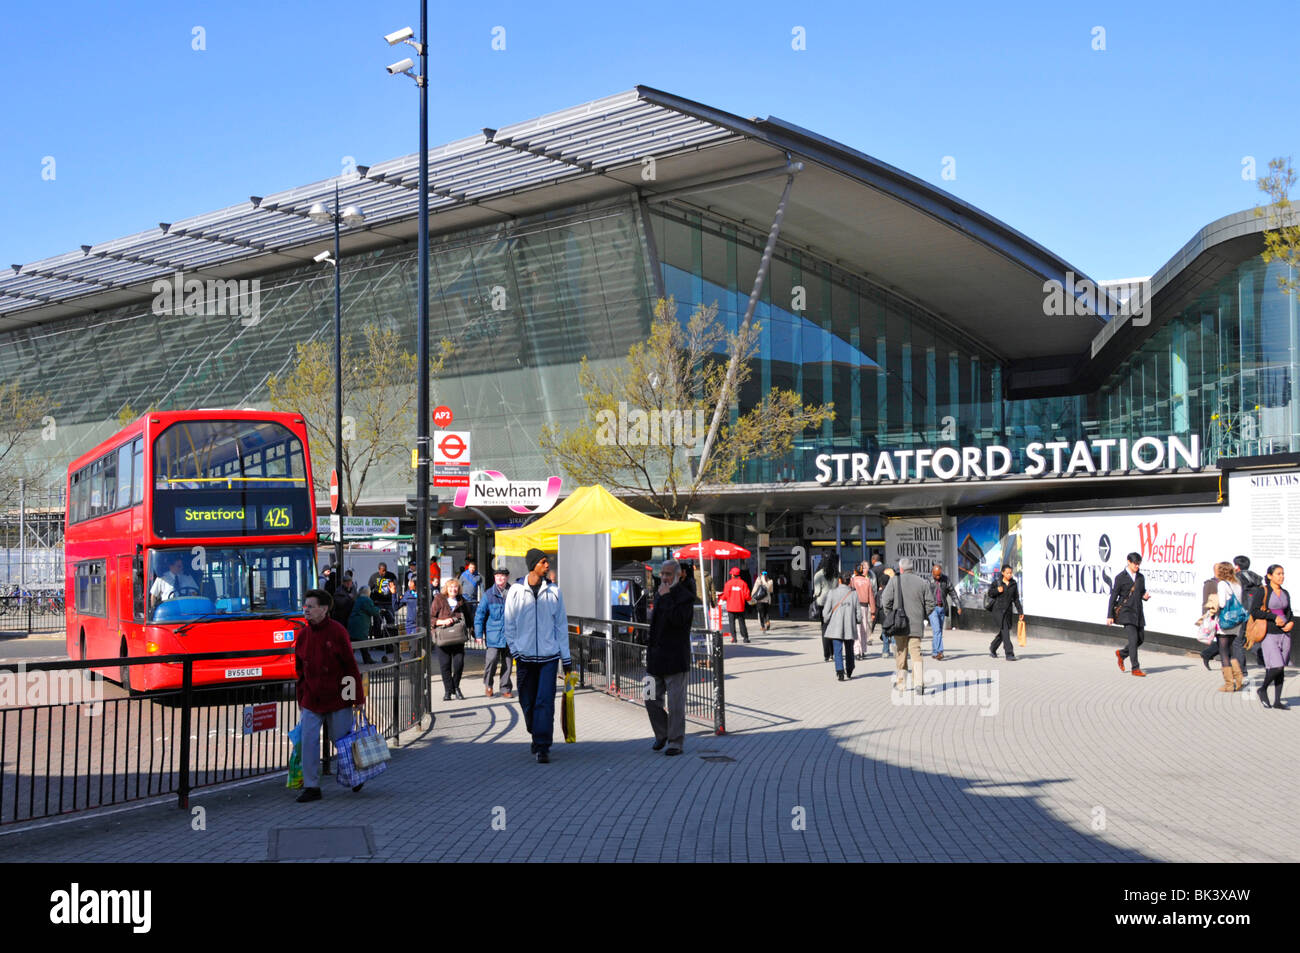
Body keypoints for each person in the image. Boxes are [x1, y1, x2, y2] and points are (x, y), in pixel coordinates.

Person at [293, 588, 366, 802]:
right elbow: (300, 669)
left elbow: (350, 666)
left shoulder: (337, 631)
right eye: (305, 606)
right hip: (312, 699)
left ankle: (355, 775)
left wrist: (356, 698)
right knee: (308, 741)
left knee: (341, 740)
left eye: (311, 606)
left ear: (324, 609)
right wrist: (301, 697)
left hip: (337, 697)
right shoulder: (304, 634)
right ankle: (311, 786)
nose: (306, 610)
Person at [504, 549, 572, 763]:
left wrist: (566, 659)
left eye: (547, 562)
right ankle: (536, 731)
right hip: (524, 658)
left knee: (544, 701)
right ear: (533, 564)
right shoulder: (515, 591)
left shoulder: (554, 592)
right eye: (543, 562)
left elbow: (561, 626)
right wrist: (515, 650)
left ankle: (543, 745)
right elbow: (509, 624)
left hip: (549, 657)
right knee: (527, 701)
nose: (547, 565)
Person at [645, 559, 695, 755]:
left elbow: (679, 622)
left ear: (677, 575)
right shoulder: (659, 594)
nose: (664, 578)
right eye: (663, 574)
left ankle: (675, 742)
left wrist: (665, 598)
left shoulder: (685, 597)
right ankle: (662, 733)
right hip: (655, 659)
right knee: (649, 698)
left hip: (675, 660)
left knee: (675, 705)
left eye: (668, 575)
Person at [880, 558, 935, 693]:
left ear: (901, 569)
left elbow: (885, 600)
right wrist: (922, 615)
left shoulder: (894, 581)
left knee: (901, 653)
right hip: (916, 625)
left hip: (899, 625)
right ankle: (918, 684)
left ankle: (901, 684)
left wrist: (891, 615)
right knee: (916, 653)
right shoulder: (922, 582)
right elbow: (930, 604)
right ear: (912, 568)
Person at [1251, 564, 1293, 710]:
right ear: (1269, 576)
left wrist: (1291, 622)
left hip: (1285, 634)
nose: (1281, 576)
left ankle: (1277, 701)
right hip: (1269, 633)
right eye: (1278, 574)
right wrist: (1273, 617)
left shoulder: (1285, 592)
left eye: (1283, 573)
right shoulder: (1263, 591)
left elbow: (1289, 612)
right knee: (1277, 666)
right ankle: (1262, 689)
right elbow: (1254, 611)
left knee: (1281, 668)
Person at [1106, 552, 1149, 676]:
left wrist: (1145, 596)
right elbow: (1113, 597)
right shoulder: (1120, 577)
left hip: (1138, 612)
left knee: (1140, 639)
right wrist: (1109, 615)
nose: (1137, 566)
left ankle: (1122, 654)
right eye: (1135, 563)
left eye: (1139, 564)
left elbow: (1142, 592)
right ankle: (1135, 668)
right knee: (1133, 639)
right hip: (1126, 612)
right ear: (1129, 562)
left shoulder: (1141, 577)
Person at [475, 566, 513, 698]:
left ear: (507, 577)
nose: (500, 578)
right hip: (493, 635)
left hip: (510, 635)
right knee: (491, 661)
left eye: (503, 576)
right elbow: (479, 615)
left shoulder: (513, 592)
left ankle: (505, 688)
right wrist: (478, 634)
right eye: (498, 576)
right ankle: (488, 685)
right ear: (494, 578)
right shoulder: (488, 595)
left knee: (508, 663)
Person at [432, 577, 472, 701]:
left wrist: (475, 633)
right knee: (445, 665)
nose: (453, 589)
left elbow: (470, 618)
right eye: (450, 587)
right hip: (443, 638)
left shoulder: (462, 601)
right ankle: (448, 691)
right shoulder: (439, 599)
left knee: (459, 664)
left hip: (458, 638)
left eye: (455, 587)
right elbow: (431, 617)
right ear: (446, 589)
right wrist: (442, 621)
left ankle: (456, 686)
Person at [1210, 561, 1245, 692]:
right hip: (1236, 622)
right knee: (1232, 650)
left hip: (1225, 622)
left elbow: (1223, 603)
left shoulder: (1222, 584)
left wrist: (1214, 601)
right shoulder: (1237, 583)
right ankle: (1239, 680)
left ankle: (1229, 684)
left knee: (1224, 652)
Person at [824, 571, 862, 681]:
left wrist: (827, 619)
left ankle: (840, 671)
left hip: (836, 626)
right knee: (849, 648)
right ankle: (849, 669)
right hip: (849, 626)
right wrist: (858, 621)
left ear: (839, 580)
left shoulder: (832, 593)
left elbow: (826, 612)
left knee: (837, 649)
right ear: (849, 581)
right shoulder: (854, 594)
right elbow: (858, 612)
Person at [987, 565, 1025, 661]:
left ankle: (993, 647)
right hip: (998, 610)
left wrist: (1020, 611)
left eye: (1010, 573)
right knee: (1005, 629)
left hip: (1008, 611)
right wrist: (997, 590)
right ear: (1003, 573)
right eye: (1007, 573)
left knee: (1004, 631)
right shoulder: (997, 582)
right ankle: (1009, 653)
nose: (1009, 574)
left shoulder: (1013, 584)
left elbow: (1016, 599)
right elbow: (990, 593)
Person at [929, 563, 961, 661]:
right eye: (936, 575)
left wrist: (958, 605)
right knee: (937, 630)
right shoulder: (928, 581)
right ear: (932, 573)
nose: (938, 577)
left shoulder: (945, 580)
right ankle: (940, 652)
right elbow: (923, 595)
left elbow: (952, 592)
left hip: (942, 608)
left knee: (938, 631)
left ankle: (934, 651)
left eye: (939, 574)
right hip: (932, 608)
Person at [348, 585, 383, 665]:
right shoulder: (366, 600)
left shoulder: (359, 599)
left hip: (354, 622)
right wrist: (379, 610)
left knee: (354, 641)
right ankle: (366, 659)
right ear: (368, 592)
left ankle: (350, 659)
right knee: (362, 641)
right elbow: (372, 610)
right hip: (361, 623)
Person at [812, 554, 838, 661]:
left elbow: (817, 591)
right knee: (833, 628)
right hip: (833, 603)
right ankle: (833, 653)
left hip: (822, 603)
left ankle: (827, 655)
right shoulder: (835, 574)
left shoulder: (818, 575)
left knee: (824, 627)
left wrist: (815, 595)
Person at [850, 561, 877, 660]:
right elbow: (871, 596)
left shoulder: (852, 580)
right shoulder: (867, 581)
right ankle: (863, 650)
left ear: (855, 571)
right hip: (865, 607)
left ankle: (857, 651)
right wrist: (873, 611)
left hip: (854, 606)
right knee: (864, 628)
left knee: (856, 628)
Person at [722, 567, 751, 643]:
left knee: (732, 623)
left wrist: (721, 599)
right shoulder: (743, 583)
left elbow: (725, 595)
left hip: (731, 607)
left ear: (732, 575)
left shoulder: (728, 584)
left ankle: (734, 638)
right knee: (742, 622)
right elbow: (747, 596)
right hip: (740, 606)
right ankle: (745, 638)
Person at [877, 566, 896, 658]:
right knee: (892, 632)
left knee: (884, 632)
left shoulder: (879, 593)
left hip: (882, 615)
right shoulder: (893, 590)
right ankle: (895, 649)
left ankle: (885, 651)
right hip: (891, 614)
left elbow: (878, 604)